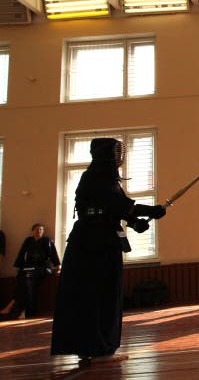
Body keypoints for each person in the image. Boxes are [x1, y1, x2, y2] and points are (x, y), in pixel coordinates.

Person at [51, 138, 166, 364]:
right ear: (106, 155)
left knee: (107, 295)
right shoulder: (94, 177)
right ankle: (91, 346)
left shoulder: (109, 180)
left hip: (105, 240)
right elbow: (118, 205)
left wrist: (134, 223)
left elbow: (118, 209)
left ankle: (103, 346)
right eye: (116, 152)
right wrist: (149, 209)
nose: (120, 157)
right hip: (90, 244)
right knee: (91, 295)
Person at [0, 223, 61, 320]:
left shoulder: (47, 241)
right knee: (23, 279)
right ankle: (24, 309)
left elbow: (53, 253)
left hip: (43, 268)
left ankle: (14, 306)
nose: (39, 231)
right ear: (33, 231)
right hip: (29, 268)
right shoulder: (28, 241)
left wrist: (58, 266)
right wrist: (18, 266)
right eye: (37, 229)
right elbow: (21, 253)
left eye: (41, 229)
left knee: (27, 279)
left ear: (43, 231)